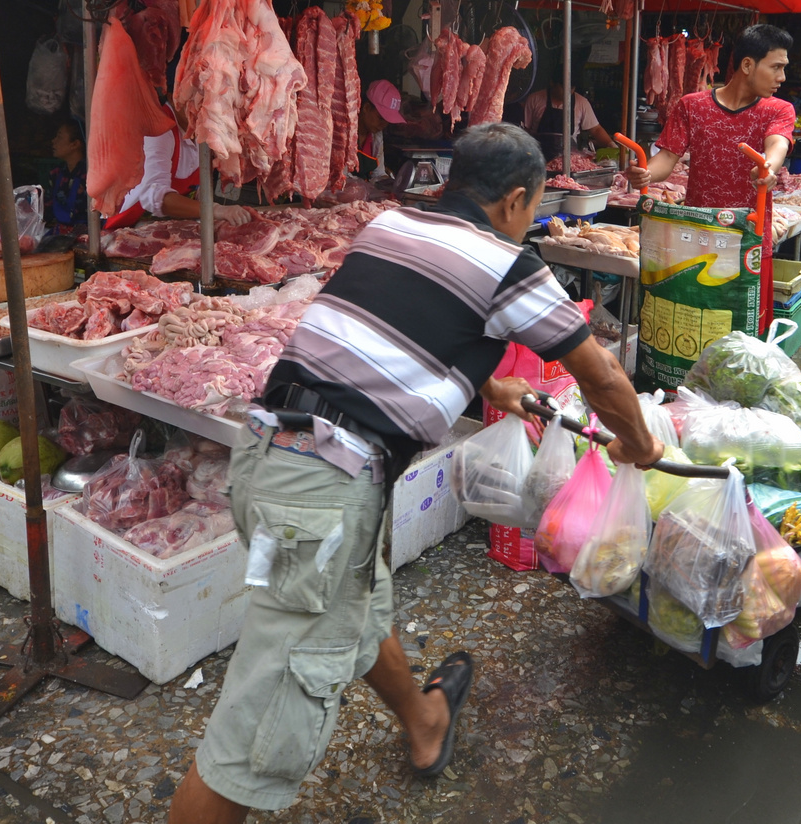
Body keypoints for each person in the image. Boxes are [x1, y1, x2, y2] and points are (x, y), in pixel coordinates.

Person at [170, 123, 664, 824]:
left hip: (268, 454)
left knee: (355, 605)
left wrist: (489, 388)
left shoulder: (391, 226)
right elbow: (603, 374)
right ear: (518, 199)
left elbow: (402, 331)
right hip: (323, 489)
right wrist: (639, 443)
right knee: (254, 734)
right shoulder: (508, 262)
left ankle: (425, 719)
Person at [625, 23, 794, 210]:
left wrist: (768, 168)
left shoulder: (779, 109)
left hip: (750, 231)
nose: (782, 77)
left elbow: (778, 144)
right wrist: (646, 173)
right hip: (698, 226)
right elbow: (666, 157)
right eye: (776, 67)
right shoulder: (692, 105)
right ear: (747, 65)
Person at [518, 83, 614, 150]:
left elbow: (596, 129)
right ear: (552, 83)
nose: (568, 91)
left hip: (569, 157)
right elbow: (526, 130)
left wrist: (612, 145)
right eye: (564, 87)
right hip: (539, 154)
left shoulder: (581, 102)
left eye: (571, 88)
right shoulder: (535, 99)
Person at [46, 118, 87, 237]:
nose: (53, 141)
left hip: (87, 236)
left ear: (75, 144)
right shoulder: (56, 173)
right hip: (60, 235)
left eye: (59, 137)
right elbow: (48, 208)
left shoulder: (90, 175)